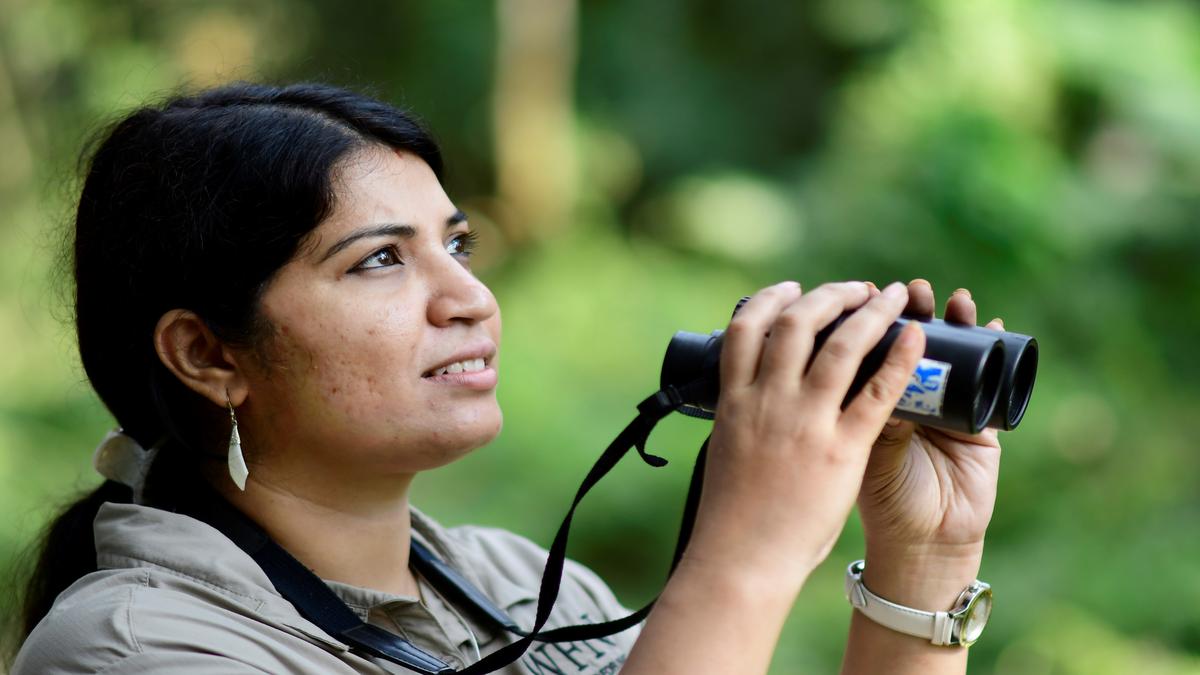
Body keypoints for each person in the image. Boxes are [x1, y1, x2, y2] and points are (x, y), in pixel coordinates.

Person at [8, 82, 1004, 674]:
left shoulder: (522, 584)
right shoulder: (135, 649)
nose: (471, 299)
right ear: (207, 355)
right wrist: (747, 552)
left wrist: (924, 563)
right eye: (379, 261)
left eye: (459, 245)